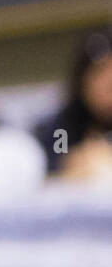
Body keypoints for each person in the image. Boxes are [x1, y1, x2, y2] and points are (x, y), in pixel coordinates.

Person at [35, 27, 112, 182]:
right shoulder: (64, 127)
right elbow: (55, 160)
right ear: (82, 83)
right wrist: (72, 162)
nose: (108, 83)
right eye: (99, 74)